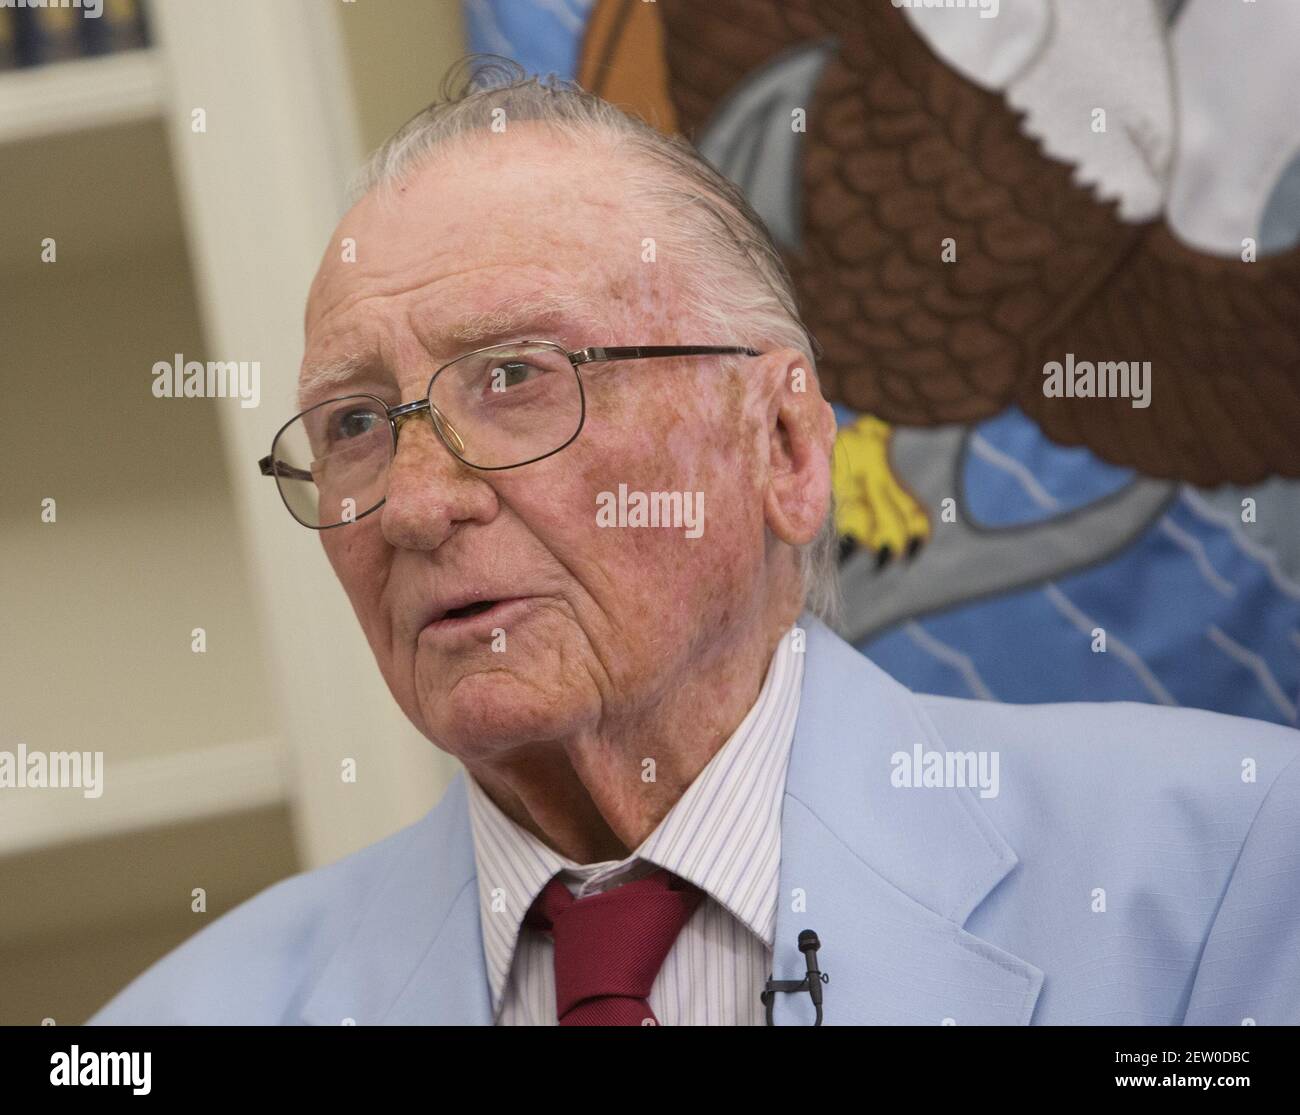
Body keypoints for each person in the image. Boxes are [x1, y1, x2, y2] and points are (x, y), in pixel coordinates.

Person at [89, 62, 1300, 1026]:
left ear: (781, 445)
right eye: (354, 425)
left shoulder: (1234, 869)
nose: (413, 505)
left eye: (515, 376)